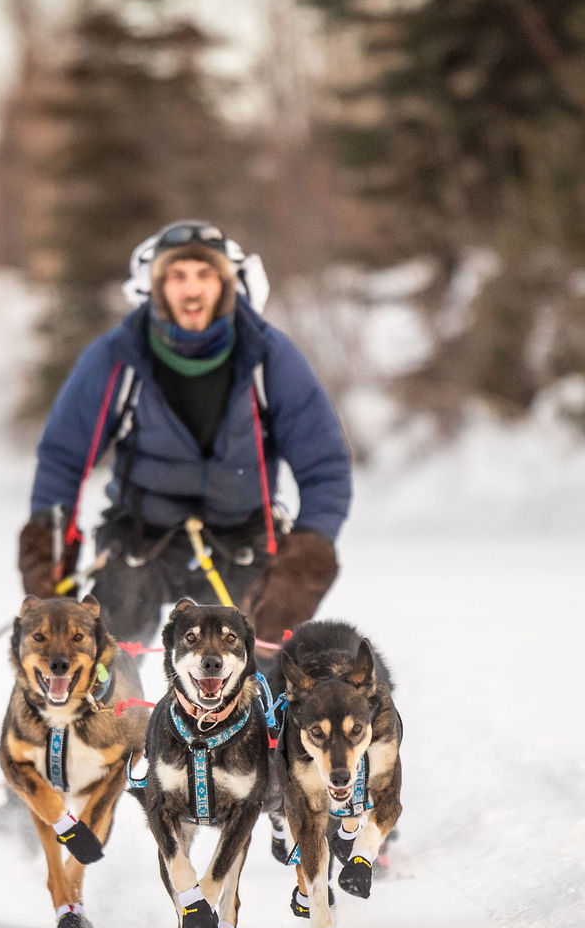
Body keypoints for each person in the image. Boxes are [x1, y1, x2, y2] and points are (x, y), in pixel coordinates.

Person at [19, 221, 351, 652]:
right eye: (177, 276)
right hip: (141, 541)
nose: (191, 290)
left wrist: (308, 552)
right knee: (98, 661)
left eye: (204, 275)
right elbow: (64, 457)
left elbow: (324, 466)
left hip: (242, 540)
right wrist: (49, 543)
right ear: (156, 286)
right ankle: (102, 713)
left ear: (227, 283)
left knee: (260, 667)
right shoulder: (117, 357)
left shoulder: (270, 357)